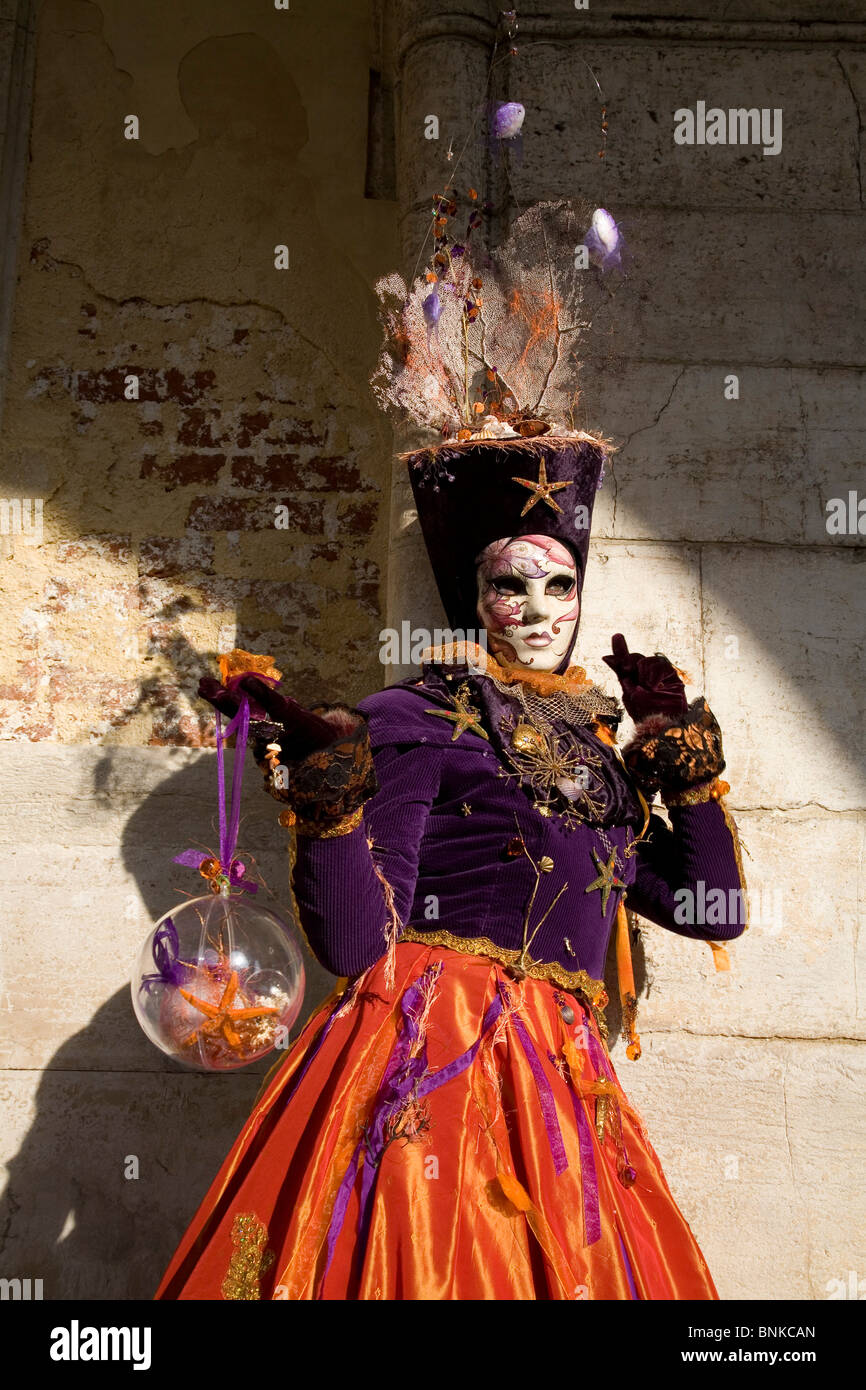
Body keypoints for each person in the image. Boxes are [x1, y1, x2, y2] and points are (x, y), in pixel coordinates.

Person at [155, 435, 747, 1301]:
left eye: (560, 584)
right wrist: (333, 799)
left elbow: (714, 909)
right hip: (433, 1041)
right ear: (473, 595)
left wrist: (676, 756)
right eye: (511, 584)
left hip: (559, 1071)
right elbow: (358, 944)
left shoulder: (601, 759)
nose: (541, 611)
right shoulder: (416, 715)